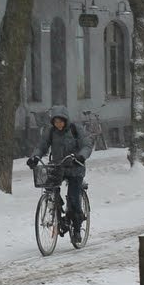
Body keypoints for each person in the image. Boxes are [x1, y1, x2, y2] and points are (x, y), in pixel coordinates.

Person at [26, 105, 93, 246]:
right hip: (58, 166)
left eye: (61, 121)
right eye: (56, 122)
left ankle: (76, 230)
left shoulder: (76, 129)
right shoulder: (51, 132)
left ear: (66, 120)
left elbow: (86, 145)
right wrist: (34, 157)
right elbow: (42, 146)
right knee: (50, 188)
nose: (58, 124)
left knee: (74, 198)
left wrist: (81, 156)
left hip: (75, 168)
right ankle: (57, 208)